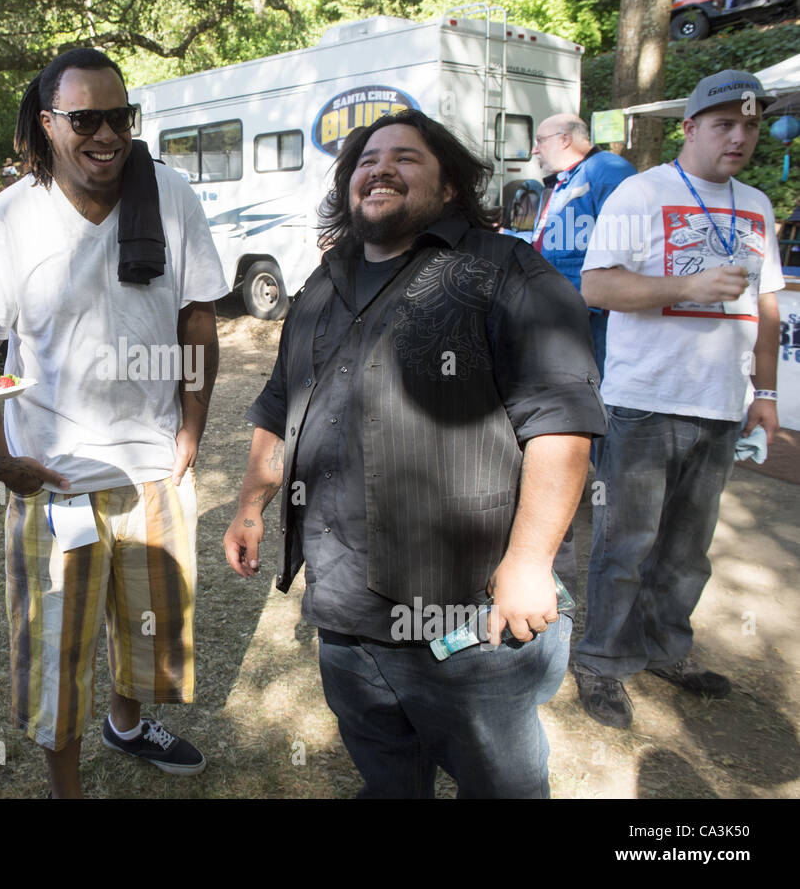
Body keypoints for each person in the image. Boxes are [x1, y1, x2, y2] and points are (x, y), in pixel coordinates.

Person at [224, 109, 607, 798]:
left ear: (451, 186)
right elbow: (280, 403)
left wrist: (529, 561)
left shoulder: (504, 270)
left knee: (502, 788)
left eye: (406, 157)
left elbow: (560, 420)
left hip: (469, 619)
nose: (381, 168)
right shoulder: (321, 284)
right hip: (344, 612)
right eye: (368, 160)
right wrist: (250, 506)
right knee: (387, 778)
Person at [0, 48, 229, 798]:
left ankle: (126, 724)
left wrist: (192, 422)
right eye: (84, 118)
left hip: (153, 468)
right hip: (53, 483)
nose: (106, 135)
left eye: (119, 117)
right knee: (56, 661)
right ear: (47, 123)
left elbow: (196, 318)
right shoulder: (6, 220)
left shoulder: (169, 197)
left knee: (147, 631)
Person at [572, 70, 782, 729]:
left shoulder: (758, 203)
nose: (740, 136)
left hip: (721, 403)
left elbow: (768, 304)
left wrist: (767, 393)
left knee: (689, 549)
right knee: (624, 541)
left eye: (750, 125)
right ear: (690, 127)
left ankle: (667, 650)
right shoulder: (642, 192)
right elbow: (597, 288)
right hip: (645, 401)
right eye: (725, 123)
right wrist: (687, 286)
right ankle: (600, 662)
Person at [530, 114, 636, 376]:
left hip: (593, 316)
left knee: (594, 384)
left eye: (540, 141)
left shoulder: (608, 170)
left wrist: (594, 303)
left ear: (564, 139)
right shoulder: (567, 178)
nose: (535, 150)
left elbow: (630, 245)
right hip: (563, 309)